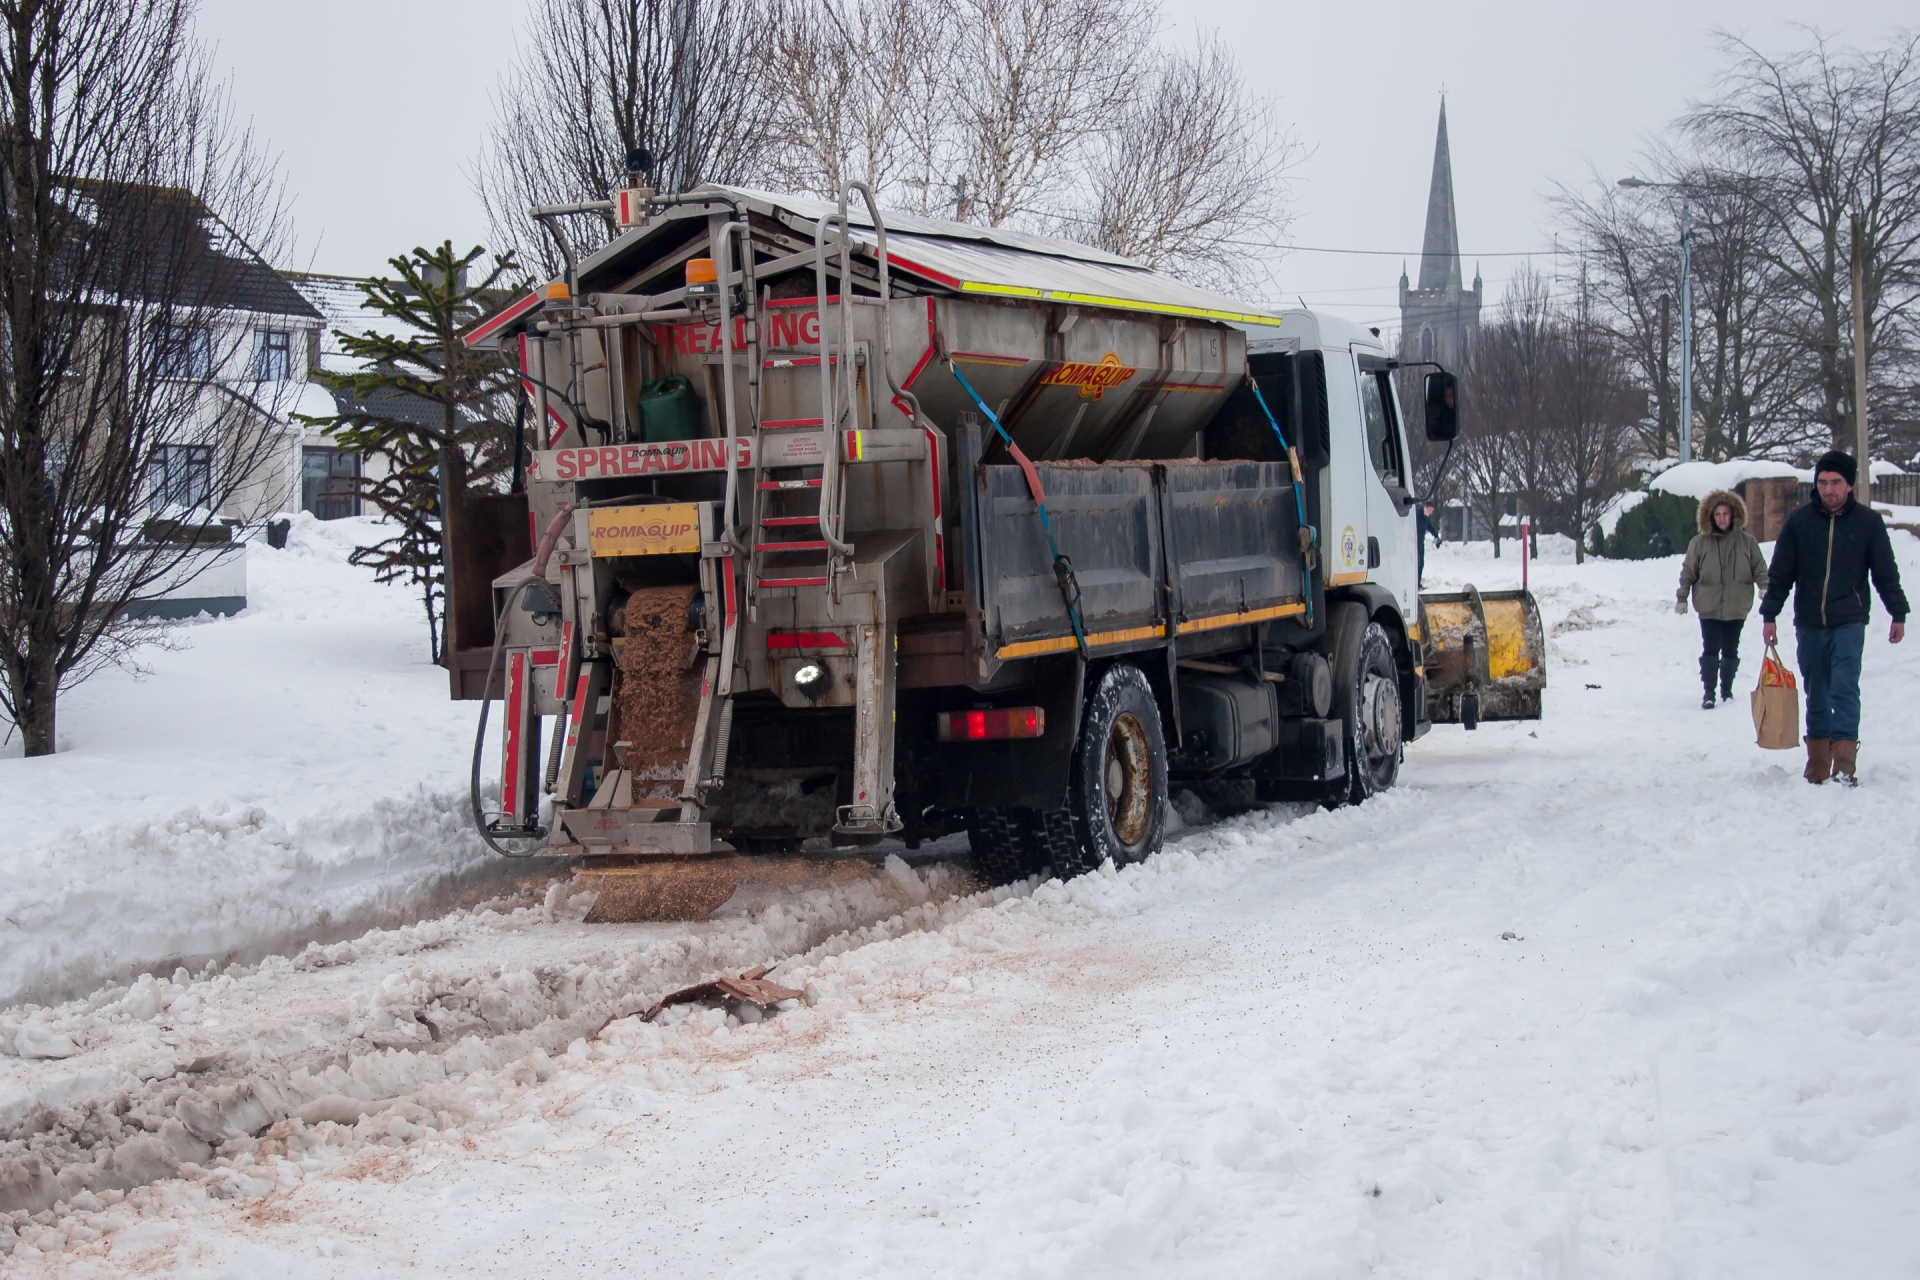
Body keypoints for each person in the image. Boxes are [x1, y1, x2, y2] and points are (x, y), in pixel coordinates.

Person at [1759, 450, 1907, 786]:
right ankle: (1817, 764)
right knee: (1817, 691)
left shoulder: (1867, 524)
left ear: (1850, 485)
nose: (1828, 489)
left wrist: (1897, 611)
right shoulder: (1799, 522)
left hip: (1849, 619)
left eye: (1836, 482)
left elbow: (1885, 572)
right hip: (1809, 621)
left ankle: (1844, 765)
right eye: (1823, 482)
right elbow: (1781, 572)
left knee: (1843, 688)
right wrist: (1770, 614)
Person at [1676, 489, 1769, 709]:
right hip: (1709, 605)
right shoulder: (1699, 543)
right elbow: (1688, 571)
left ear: (1734, 514)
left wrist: (1764, 587)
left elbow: (1760, 568)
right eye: (1717, 514)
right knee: (1710, 647)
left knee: (1730, 648)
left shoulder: (1747, 542)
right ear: (1710, 516)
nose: (1722, 518)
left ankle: (1727, 688)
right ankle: (1709, 691)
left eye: (1726, 514)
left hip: (1737, 605)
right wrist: (1682, 597)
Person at [1417, 502, 1439, 587]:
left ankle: (1418, 583)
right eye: (1429, 510)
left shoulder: (1427, 519)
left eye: (1432, 511)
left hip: (1420, 544)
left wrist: (1437, 537)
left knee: (1421, 563)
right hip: (1413, 544)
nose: (1430, 513)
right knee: (1416, 564)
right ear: (1424, 508)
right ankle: (1414, 584)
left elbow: (1431, 528)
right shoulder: (1417, 515)